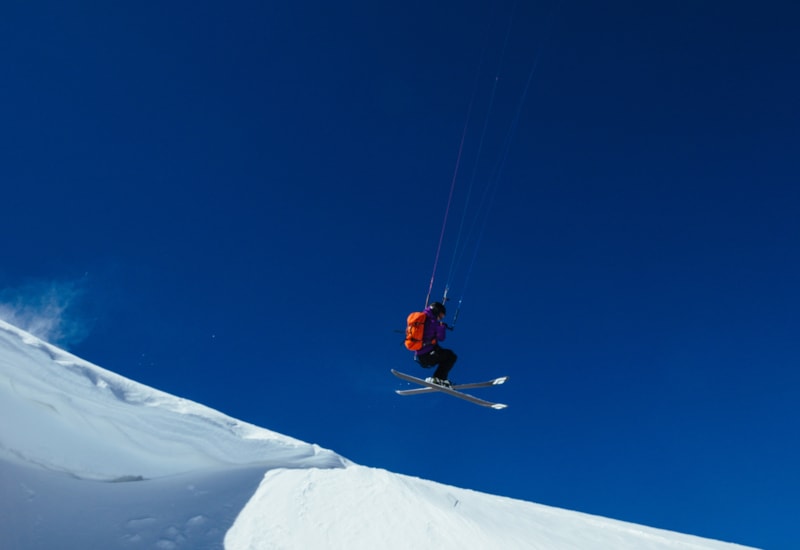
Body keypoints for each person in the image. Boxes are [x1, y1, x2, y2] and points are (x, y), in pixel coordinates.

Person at [414, 301, 457, 387]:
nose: (440, 318)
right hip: (427, 355)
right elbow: (441, 338)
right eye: (441, 315)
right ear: (436, 311)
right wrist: (442, 327)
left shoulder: (423, 317)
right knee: (451, 356)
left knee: (446, 355)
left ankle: (440, 379)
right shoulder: (433, 322)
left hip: (421, 355)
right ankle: (438, 378)